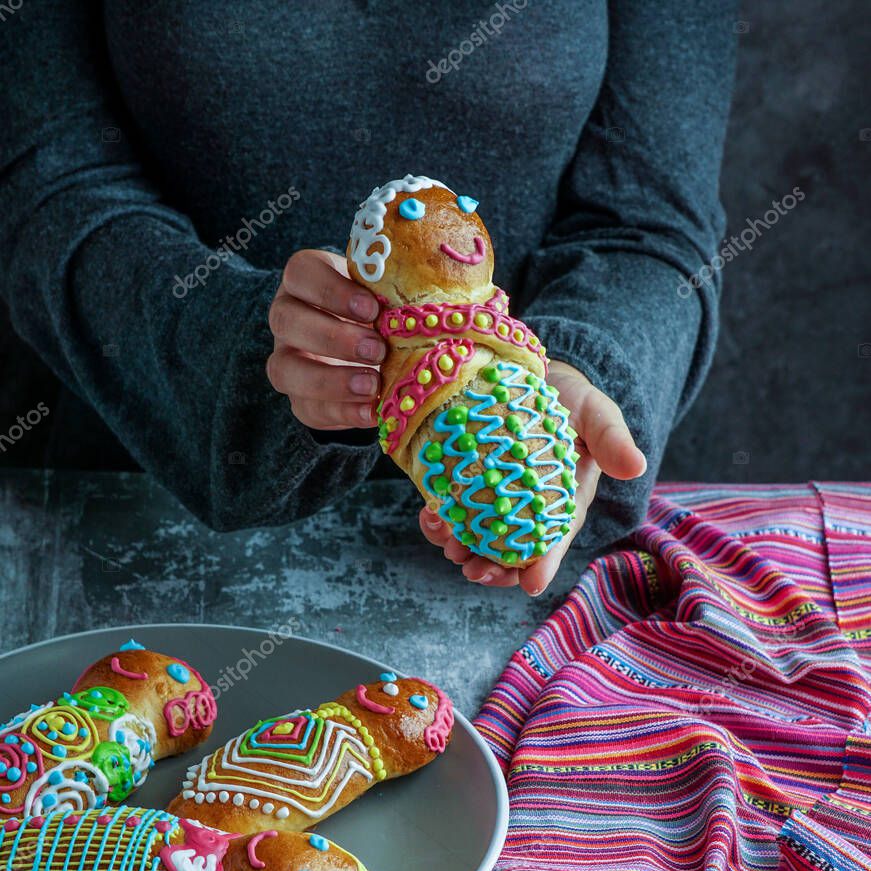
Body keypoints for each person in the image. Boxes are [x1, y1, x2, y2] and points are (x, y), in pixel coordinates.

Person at [0, 2, 736, 595]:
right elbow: (53, 189)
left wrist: (571, 367)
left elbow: (651, 222)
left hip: (534, 550)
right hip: (135, 524)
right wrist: (242, 352)